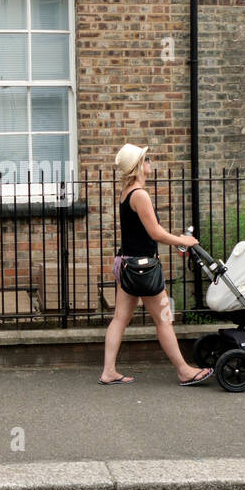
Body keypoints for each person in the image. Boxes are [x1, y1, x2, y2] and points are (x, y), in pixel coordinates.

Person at [99, 143, 212, 386]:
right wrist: (184, 241)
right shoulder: (139, 194)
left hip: (127, 264)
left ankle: (109, 371)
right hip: (143, 269)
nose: (150, 161)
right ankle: (184, 370)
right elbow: (156, 233)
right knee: (163, 318)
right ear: (138, 166)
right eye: (146, 158)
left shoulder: (126, 192)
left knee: (119, 318)